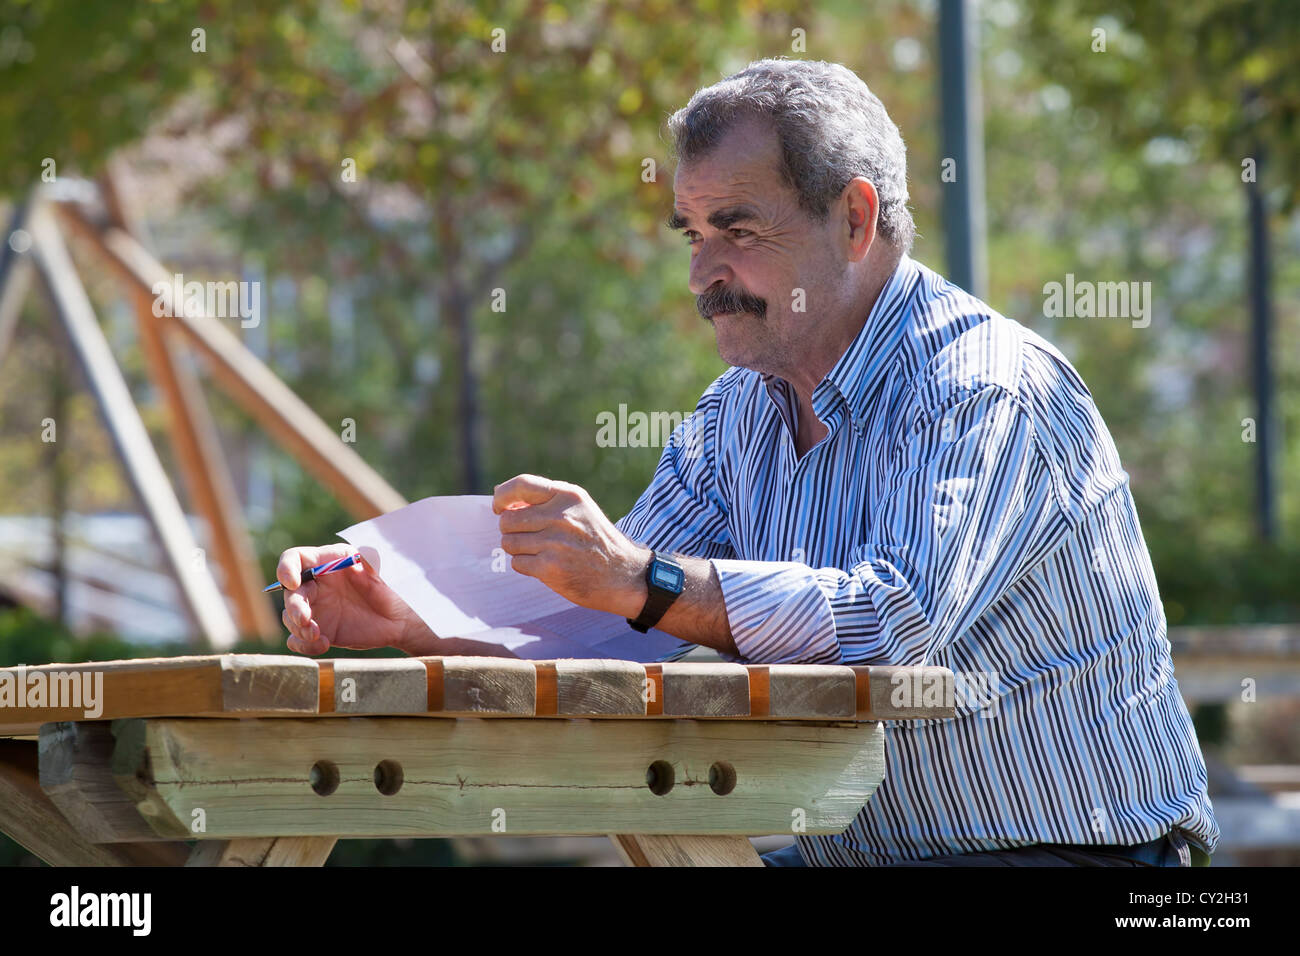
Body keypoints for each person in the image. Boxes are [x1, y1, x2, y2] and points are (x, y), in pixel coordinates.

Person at [276, 58, 1218, 867]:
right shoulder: (739, 413)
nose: (702, 275)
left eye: (738, 229)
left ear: (854, 219)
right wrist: (405, 612)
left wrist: (642, 581)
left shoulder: (985, 387)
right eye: (695, 236)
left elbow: (894, 623)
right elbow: (615, 620)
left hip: (1082, 858)